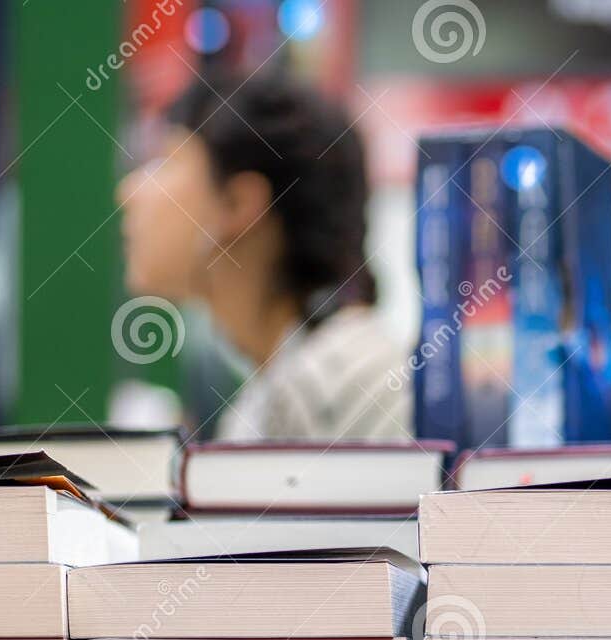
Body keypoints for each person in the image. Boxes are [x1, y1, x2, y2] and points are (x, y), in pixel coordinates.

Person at [117, 71, 411, 441]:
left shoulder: (360, 387)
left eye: (164, 163)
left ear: (239, 202)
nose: (129, 192)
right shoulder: (259, 404)